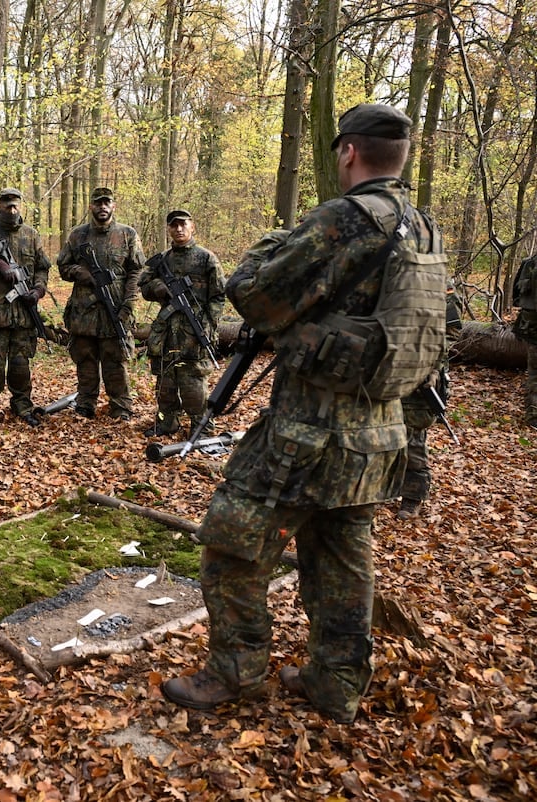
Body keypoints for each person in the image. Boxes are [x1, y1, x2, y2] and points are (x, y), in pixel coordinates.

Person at [161, 104, 445, 723]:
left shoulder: (344, 220)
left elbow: (254, 293)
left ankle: (236, 671)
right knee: (342, 556)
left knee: (231, 547)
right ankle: (336, 683)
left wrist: (276, 241)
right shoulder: (422, 227)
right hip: (379, 434)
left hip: (306, 434)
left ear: (348, 151)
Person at [55, 186, 143, 420]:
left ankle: (121, 407)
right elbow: (63, 266)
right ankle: (85, 403)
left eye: (107, 203)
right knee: (85, 360)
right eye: (98, 203)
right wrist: (80, 273)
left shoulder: (127, 234)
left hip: (115, 308)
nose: (103, 207)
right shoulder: (78, 235)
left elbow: (136, 271)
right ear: (91, 206)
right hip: (84, 311)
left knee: (116, 360)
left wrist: (129, 304)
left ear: (113, 206)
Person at [136, 209, 225, 436]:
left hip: (193, 331)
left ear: (192, 227)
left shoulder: (206, 258)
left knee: (193, 382)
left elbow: (218, 296)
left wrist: (208, 324)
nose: (179, 229)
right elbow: (144, 284)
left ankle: (201, 429)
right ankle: (167, 422)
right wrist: (157, 288)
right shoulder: (162, 260)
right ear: (168, 229)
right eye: (174, 225)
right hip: (166, 332)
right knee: (165, 381)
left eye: (183, 224)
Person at [0, 188, 51, 428]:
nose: (11, 210)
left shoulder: (31, 235)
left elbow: (42, 268)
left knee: (20, 365)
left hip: (24, 315)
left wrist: (37, 291)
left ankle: (22, 406)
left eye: (15, 206)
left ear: (21, 207)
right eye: (7, 206)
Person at [397, 283, 462, 518]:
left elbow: (451, 331)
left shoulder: (440, 283)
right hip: (387, 370)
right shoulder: (388, 274)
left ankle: (413, 496)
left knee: (412, 436)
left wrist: (430, 364)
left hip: (421, 375)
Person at [513, 255, 537, 427]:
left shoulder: (529, 261)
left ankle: (533, 416)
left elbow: (515, 295)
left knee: (534, 372)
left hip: (531, 325)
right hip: (532, 325)